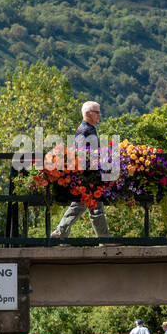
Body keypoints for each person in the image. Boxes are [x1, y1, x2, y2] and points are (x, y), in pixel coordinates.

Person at [51, 101, 111, 241]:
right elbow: (83, 154)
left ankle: (60, 232)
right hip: (87, 175)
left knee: (80, 204)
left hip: (86, 175)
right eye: (97, 112)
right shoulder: (85, 130)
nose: (99, 115)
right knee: (93, 206)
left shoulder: (87, 129)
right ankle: (104, 240)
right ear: (88, 113)